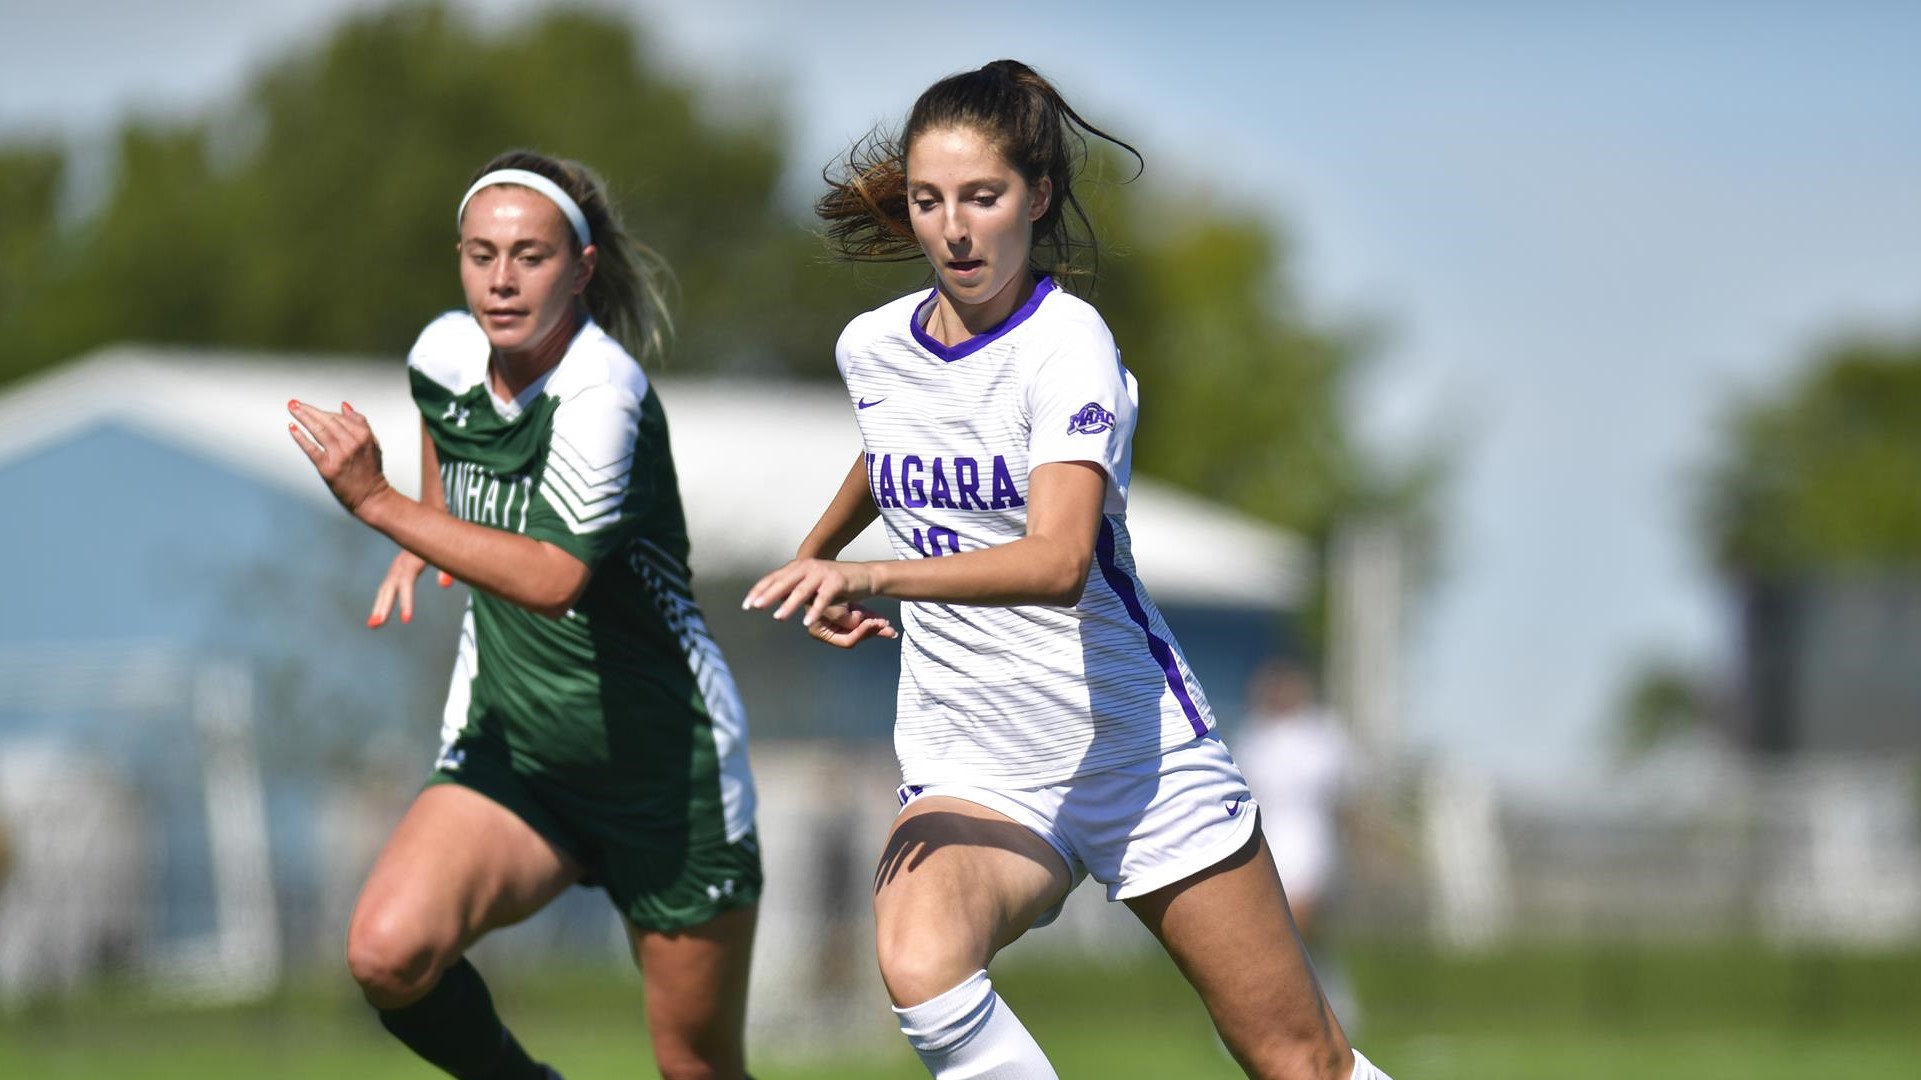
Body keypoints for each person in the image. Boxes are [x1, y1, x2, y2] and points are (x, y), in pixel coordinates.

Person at [745, 60, 1392, 1080]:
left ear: (1037, 197)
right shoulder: (873, 347)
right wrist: (816, 552)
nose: (954, 228)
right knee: (918, 959)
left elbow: (1055, 560)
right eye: (928, 200)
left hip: (1132, 752)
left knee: (1298, 1059)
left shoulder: (1066, 346)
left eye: (982, 197)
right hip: (976, 759)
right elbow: (895, 449)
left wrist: (870, 578)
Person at [289, 150, 761, 1080]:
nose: (499, 279)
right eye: (479, 253)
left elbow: (552, 578)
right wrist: (423, 529)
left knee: (695, 1066)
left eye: (530, 256)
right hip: (520, 754)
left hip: (665, 773)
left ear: (580, 269)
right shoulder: (444, 351)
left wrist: (381, 505)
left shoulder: (601, 390)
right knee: (387, 953)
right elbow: (441, 419)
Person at [1237, 658, 1355, 938]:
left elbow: (1345, 796)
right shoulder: (1254, 737)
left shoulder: (1323, 734)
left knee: (1289, 931)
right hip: (1266, 844)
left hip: (1310, 848)